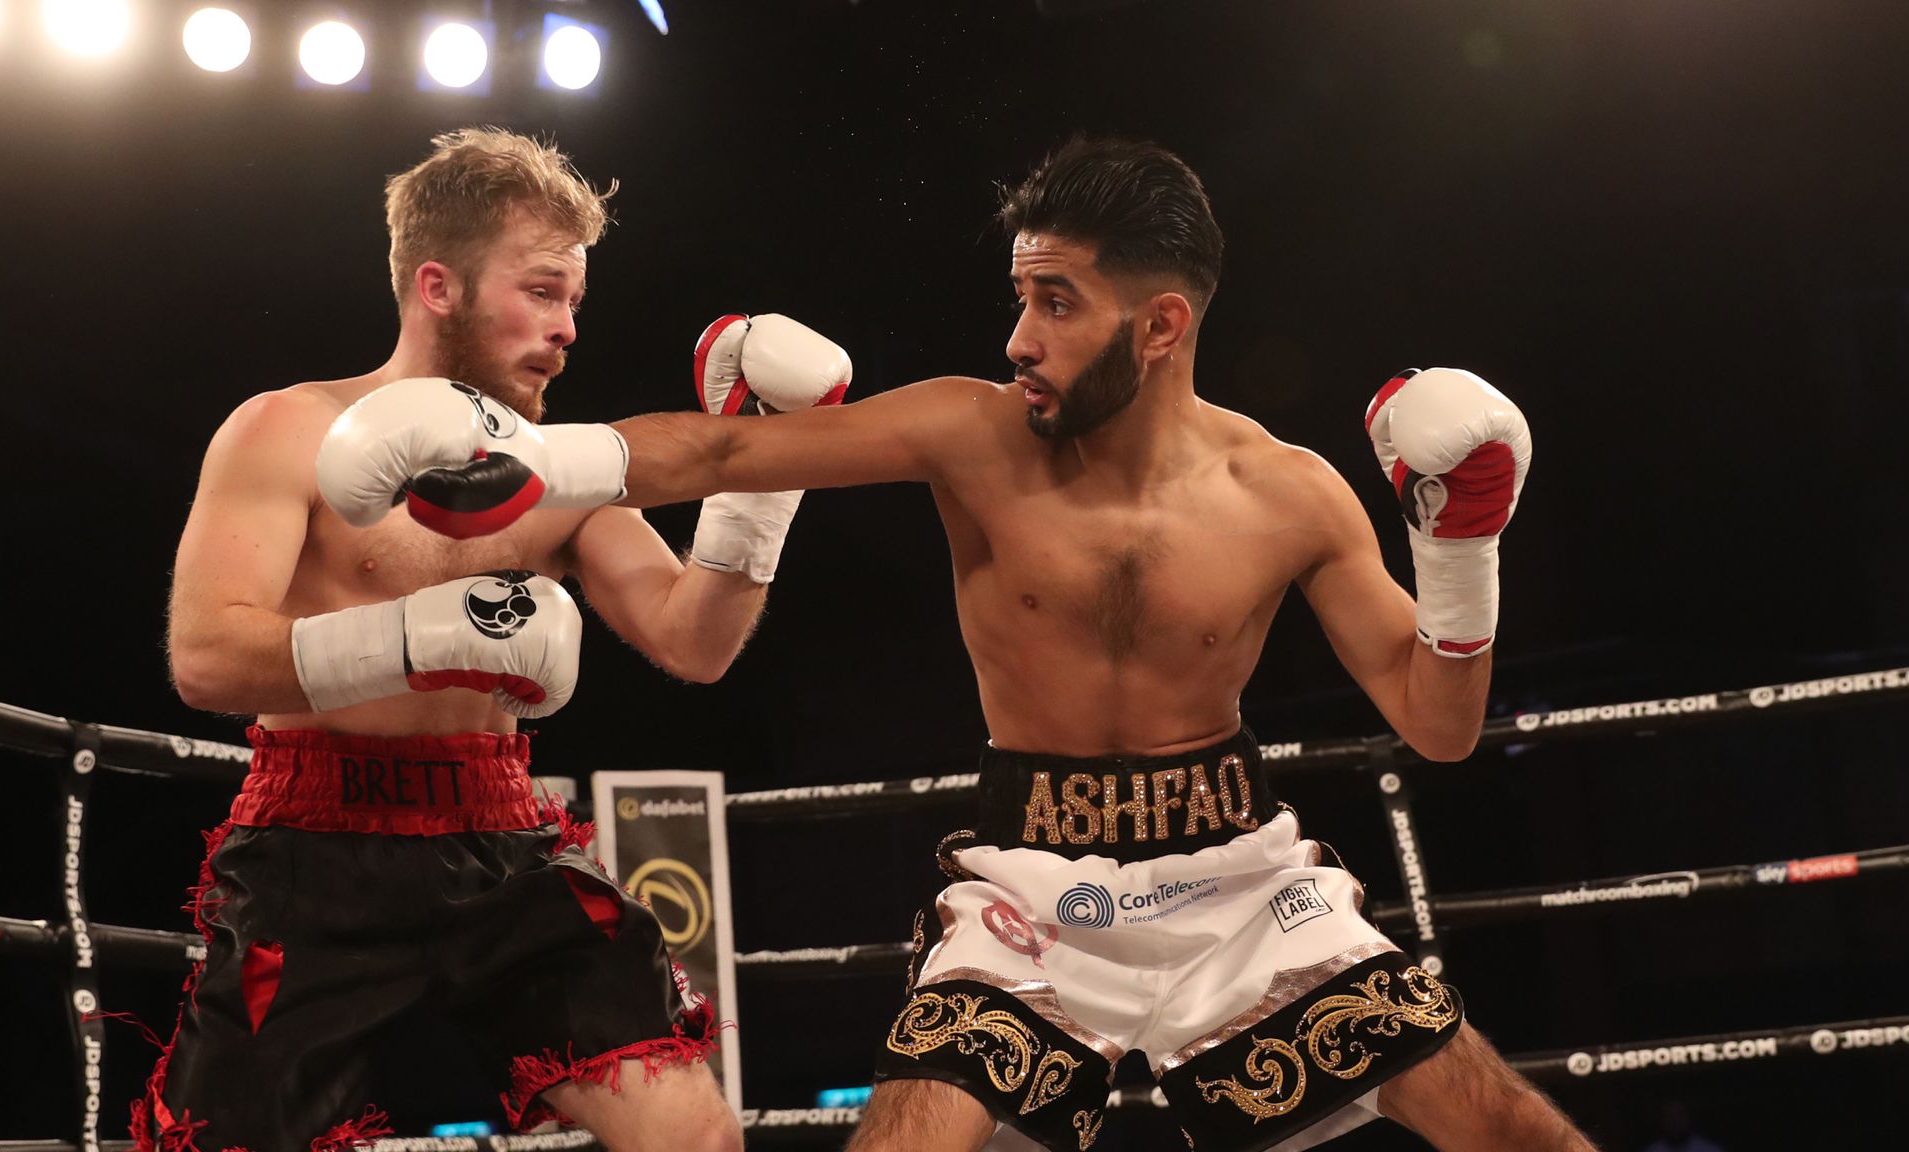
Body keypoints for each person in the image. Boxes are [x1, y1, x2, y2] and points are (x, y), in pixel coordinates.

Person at [595, 137, 1598, 1151]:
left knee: (1517, 1132)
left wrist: (1458, 549)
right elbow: (722, 449)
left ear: (1160, 324)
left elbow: (1437, 727)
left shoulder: (1289, 493)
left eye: (1057, 303)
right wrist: (521, 452)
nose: (1019, 338)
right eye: (1022, 298)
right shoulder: (969, 433)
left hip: (1241, 887)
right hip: (1029, 884)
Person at [143, 127, 819, 1152]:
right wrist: (412, 638)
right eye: (543, 293)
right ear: (438, 285)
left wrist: (760, 481)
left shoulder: (554, 470)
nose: (566, 331)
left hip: (500, 836)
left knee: (692, 1134)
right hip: (313, 841)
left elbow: (695, 642)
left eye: (574, 305)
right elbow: (204, 656)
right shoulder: (284, 430)